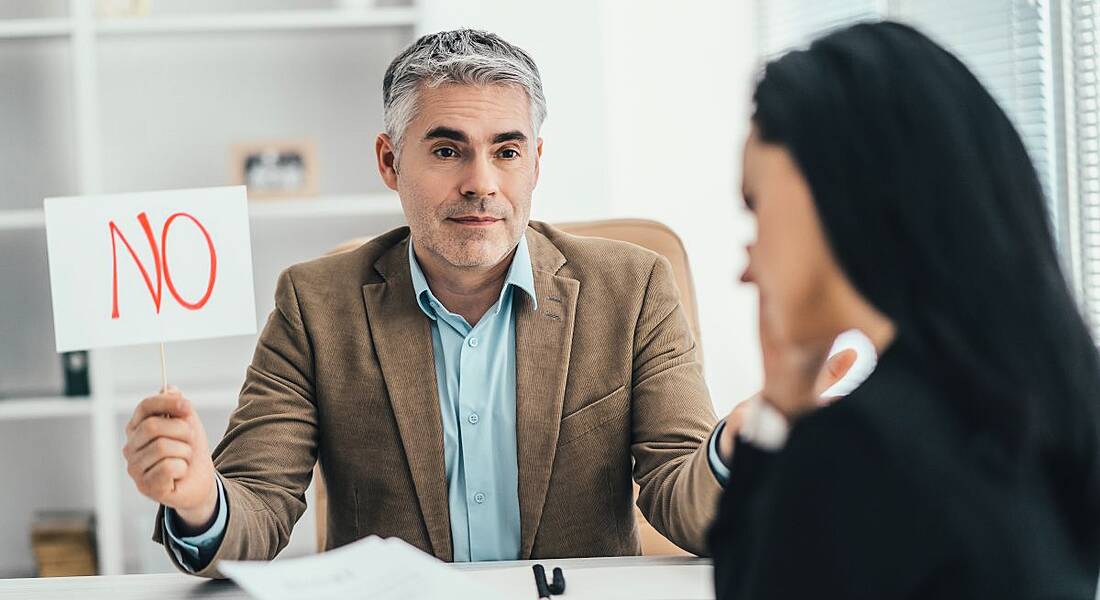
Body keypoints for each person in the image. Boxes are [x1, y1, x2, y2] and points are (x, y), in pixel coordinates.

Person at [120, 29, 860, 578]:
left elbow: (685, 506)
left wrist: (744, 437)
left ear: (536, 162)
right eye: (447, 151)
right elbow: (258, 511)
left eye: (506, 151)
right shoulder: (315, 304)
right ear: (389, 161)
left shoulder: (633, 289)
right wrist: (197, 498)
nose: (482, 181)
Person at [708, 21, 1100, 599]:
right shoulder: (1041, 413)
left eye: (755, 205)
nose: (747, 265)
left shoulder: (859, 454)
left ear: (827, 190)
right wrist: (784, 398)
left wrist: (777, 421)